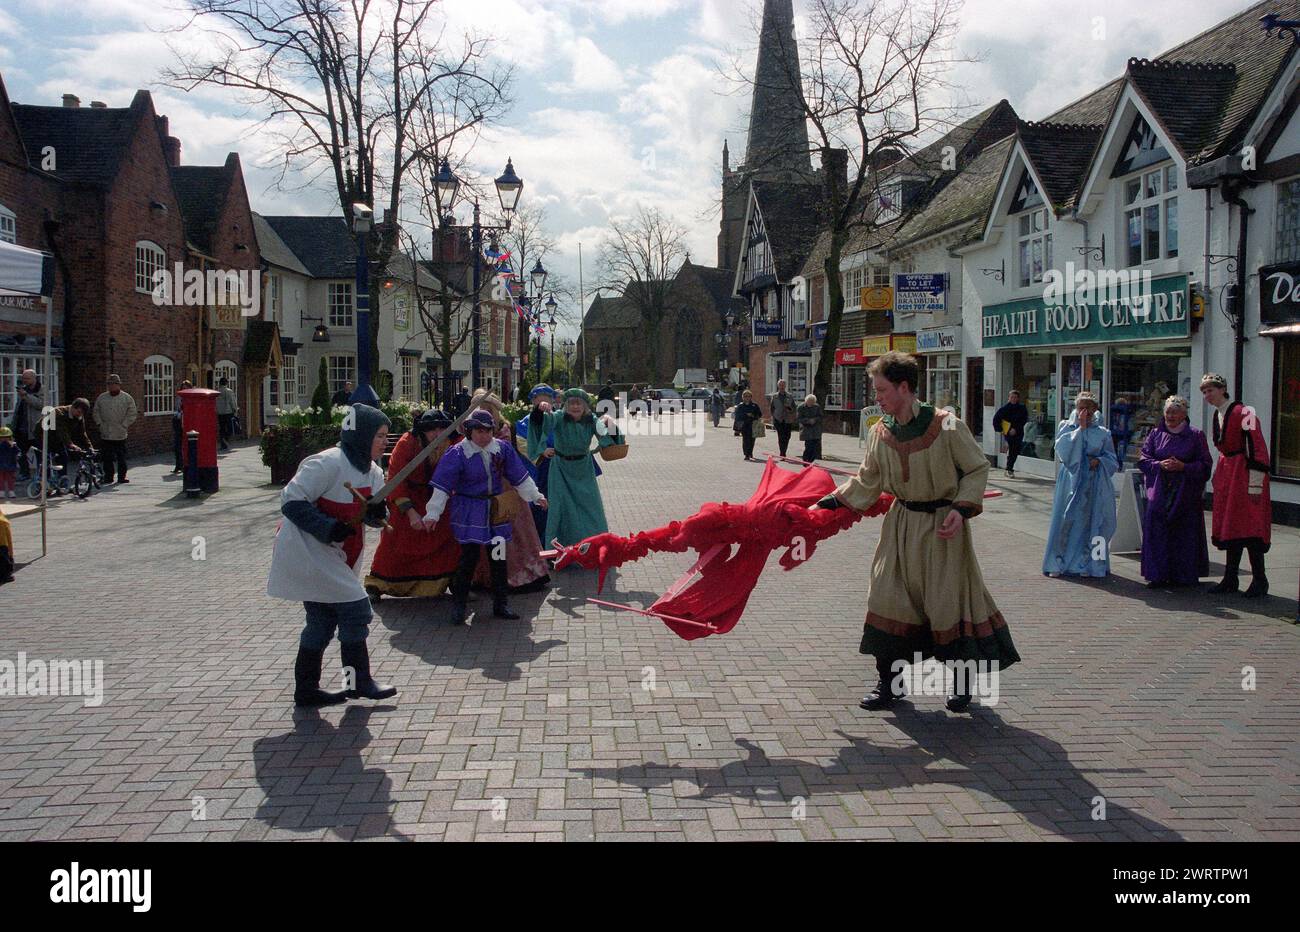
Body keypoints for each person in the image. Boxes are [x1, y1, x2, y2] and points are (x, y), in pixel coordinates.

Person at [810, 351, 1018, 712]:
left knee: (945, 605)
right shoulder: (880, 431)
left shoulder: (947, 424)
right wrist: (829, 502)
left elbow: (976, 468)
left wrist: (960, 509)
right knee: (885, 598)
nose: (876, 398)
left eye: (882, 390)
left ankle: (962, 682)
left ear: (904, 388)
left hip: (942, 530)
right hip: (900, 526)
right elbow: (867, 480)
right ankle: (889, 684)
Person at [267, 403, 397, 707]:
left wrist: (377, 513)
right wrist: (327, 527)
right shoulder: (325, 463)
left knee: (322, 620)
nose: (384, 442)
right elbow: (291, 501)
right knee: (356, 611)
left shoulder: (373, 471)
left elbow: (375, 516)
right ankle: (359, 682)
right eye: (379, 436)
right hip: (309, 551)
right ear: (362, 435)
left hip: (339, 554)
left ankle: (308, 690)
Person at [424, 409, 547, 624]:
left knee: (498, 559)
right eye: (479, 431)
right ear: (469, 431)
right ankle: (459, 607)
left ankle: (501, 604)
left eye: (488, 431)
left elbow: (519, 476)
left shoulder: (502, 450)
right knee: (468, 560)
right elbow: (443, 486)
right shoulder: (457, 453)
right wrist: (433, 513)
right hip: (470, 511)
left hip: (495, 512)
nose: (484, 436)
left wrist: (536, 496)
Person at [364, 409, 462, 601]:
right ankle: (378, 584)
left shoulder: (455, 444)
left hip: (440, 498)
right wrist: (411, 513)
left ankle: (453, 581)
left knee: (450, 539)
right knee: (395, 539)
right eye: (431, 429)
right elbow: (396, 479)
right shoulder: (407, 443)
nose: (436, 433)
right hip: (409, 497)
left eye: (441, 428)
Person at [1200, 373, 1272, 598]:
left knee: (1250, 525)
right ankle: (1231, 577)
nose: (1207, 396)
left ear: (1222, 389)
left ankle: (1260, 580)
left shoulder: (1246, 412)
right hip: (1229, 472)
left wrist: (1255, 481)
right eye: (1204, 392)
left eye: (1210, 390)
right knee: (1231, 525)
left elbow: (1257, 444)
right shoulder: (1218, 414)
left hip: (1245, 473)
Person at [471, 391, 551, 594]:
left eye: (488, 409)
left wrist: (535, 495)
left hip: (507, 493)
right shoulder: (465, 435)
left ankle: (513, 578)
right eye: (479, 409)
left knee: (513, 537)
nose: (483, 413)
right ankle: (488, 578)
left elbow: (519, 469)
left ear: (496, 412)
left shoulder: (507, 433)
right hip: (479, 496)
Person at [1137, 396, 1212, 588]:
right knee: (1157, 532)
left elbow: (1205, 465)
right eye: (1168, 411)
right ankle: (1157, 575)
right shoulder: (1155, 434)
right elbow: (1144, 460)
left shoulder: (1196, 436)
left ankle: (1183, 575)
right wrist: (1159, 464)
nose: (1170, 415)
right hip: (1160, 491)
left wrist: (1183, 467)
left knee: (1183, 534)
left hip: (1185, 493)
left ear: (1184, 414)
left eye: (1175, 412)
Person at [527, 388, 617, 548]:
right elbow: (543, 422)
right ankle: (558, 549)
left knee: (591, 507)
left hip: (584, 469)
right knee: (560, 509)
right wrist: (540, 410)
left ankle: (595, 546)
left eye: (579, 403)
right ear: (565, 405)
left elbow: (606, 435)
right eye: (571, 403)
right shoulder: (559, 417)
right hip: (560, 469)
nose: (575, 406)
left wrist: (610, 423)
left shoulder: (591, 419)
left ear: (585, 406)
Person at [1042, 391, 1119, 578]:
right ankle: (1058, 561)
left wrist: (1099, 461)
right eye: (1080, 408)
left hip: (1095, 482)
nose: (1085, 412)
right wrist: (1080, 430)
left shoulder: (1103, 433)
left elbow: (1112, 459)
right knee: (1065, 519)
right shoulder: (1066, 427)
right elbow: (1063, 451)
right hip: (1071, 482)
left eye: (1089, 408)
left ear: (1095, 409)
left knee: (1099, 522)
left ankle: (1094, 563)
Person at [92, 374, 137, 484]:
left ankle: (122, 477)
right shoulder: (102, 397)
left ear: (118, 385)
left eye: (113, 384)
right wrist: (99, 423)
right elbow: (96, 411)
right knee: (107, 457)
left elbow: (132, 413)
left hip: (120, 433)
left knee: (121, 457)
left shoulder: (127, 398)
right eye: (109, 384)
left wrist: (124, 424)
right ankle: (108, 477)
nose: (111, 386)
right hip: (106, 432)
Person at [51, 399, 95, 487]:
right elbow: (62, 432)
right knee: (47, 459)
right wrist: (71, 444)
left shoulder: (79, 417)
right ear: (73, 407)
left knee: (63, 457)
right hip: (44, 437)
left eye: (82, 413)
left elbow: (82, 433)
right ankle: (45, 482)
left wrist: (89, 446)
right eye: (79, 412)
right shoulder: (58, 413)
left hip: (59, 439)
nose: (80, 415)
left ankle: (62, 481)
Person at [9, 369, 42, 482]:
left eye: (27, 378)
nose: (25, 380)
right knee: (20, 453)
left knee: (39, 453)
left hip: (35, 428)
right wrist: (13, 426)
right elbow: (18, 409)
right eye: (23, 378)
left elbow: (41, 404)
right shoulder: (23, 391)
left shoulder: (41, 390)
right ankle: (24, 473)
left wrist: (26, 396)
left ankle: (41, 474)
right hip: (21, 428)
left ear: (34, 378)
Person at [992, 390, 1029, 478]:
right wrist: (1003, 430)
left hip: (1018, 432)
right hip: (1008, 432)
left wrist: (1016, 428)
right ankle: (1009, 469)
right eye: (1011, 397)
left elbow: (1024, 419)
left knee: (1015, 450)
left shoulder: (1022, 408)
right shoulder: (1004, 409)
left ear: (1018, 398)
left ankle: (1009, 467)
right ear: (1009, 398)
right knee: (1012, 449)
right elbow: (996, 420)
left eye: (1015, 397)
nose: (1013, 399)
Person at [767, 379, 798, 458]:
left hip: (787, 419)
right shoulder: (775, 396)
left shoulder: (789, 396)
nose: (782, 386)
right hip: (778, 419)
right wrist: (773, 416)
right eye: (780, 385)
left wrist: (790, 409)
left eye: (783, 385)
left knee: (787, 436)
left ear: (785, 386)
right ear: (778, 386)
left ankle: (784, 450)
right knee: (781, 436)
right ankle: (782, 453)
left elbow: (794, 407)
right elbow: (772, 408)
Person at [733, 390, 763, 461]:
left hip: (753, 425)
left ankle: (750, 452)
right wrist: (745, 415)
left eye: (748, 396)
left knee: (752, 440)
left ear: (751, 397)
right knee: (745, 440)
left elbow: (759, 414)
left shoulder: (754, 405)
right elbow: (737, 416)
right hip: (744, 425)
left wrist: (753, 415)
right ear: (743, 397)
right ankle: (746, 454)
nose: (747, 398)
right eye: (745, 396)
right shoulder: (740, 406)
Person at [172, 380, 193, 473]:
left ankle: (188, 464)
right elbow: (176, 408)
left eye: (186, 388)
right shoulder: (179, 397)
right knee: (177, 445)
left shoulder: (192, 398)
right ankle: (178, 465)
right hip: (178, 422)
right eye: (183, 388)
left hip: (189, 423)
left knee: (188, 445)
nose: (184, 390)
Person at [796, 393, 822, 463]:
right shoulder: (801, 407)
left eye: (812, 403)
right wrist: (808, 421)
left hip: (815, 430)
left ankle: (811, 461)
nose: (811, 404)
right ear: (806, 401)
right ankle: (805, 460)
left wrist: (815, 420)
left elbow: (820, 417)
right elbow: (799, 419)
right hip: (806, 430)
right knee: (808, 446)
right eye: (809, 402)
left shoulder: (817, 407)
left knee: (815, 447)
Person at [216, 377, 238, 451]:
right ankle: (226, 439)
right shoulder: (229, 391)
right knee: (230, 428)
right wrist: (235, 409)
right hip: (228, 412)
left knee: (222, 428)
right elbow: (232, 401)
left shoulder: (217, 392)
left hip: (220, 413)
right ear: (226, 383)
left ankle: (223, 444)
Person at [0, 425, 18, 498]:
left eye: (7, 437)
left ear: (10, 437)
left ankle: (11, 491)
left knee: (11, 480)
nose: (5, 439)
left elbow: (18, 451)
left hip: (11, 465)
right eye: (2, 437)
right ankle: (1, 492)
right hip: (1, 466)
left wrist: (18, 455)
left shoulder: (13, 445)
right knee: (0, 480)